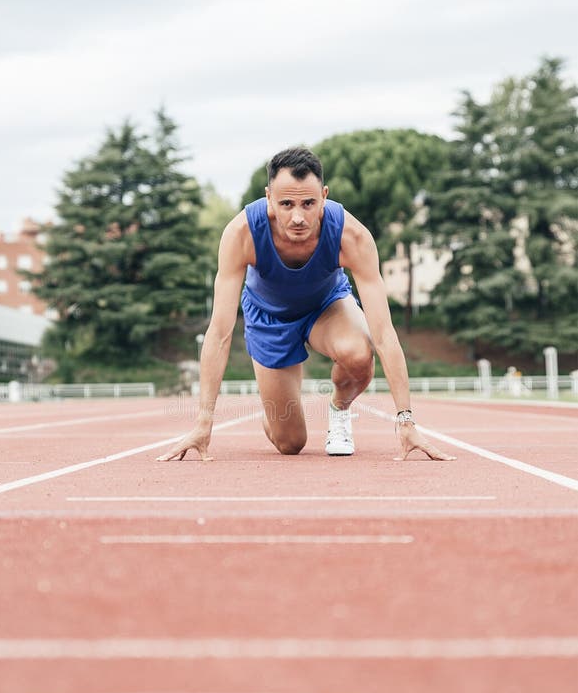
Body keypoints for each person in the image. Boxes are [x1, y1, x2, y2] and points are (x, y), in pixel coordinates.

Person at [158, 146, 455, 462]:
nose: (298, 217)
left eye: (308, 203)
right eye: (286, 204)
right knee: (291, 444)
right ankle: (274, 414)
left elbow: (384, 333)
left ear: (324, 196)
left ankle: (339, 410)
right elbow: (219, 332)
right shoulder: (242, 233)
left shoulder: (350, 236)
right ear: (269, 197)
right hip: (269, 318)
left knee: (359, 351)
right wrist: (204, 424)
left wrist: (405, 421)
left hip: (327, 307)